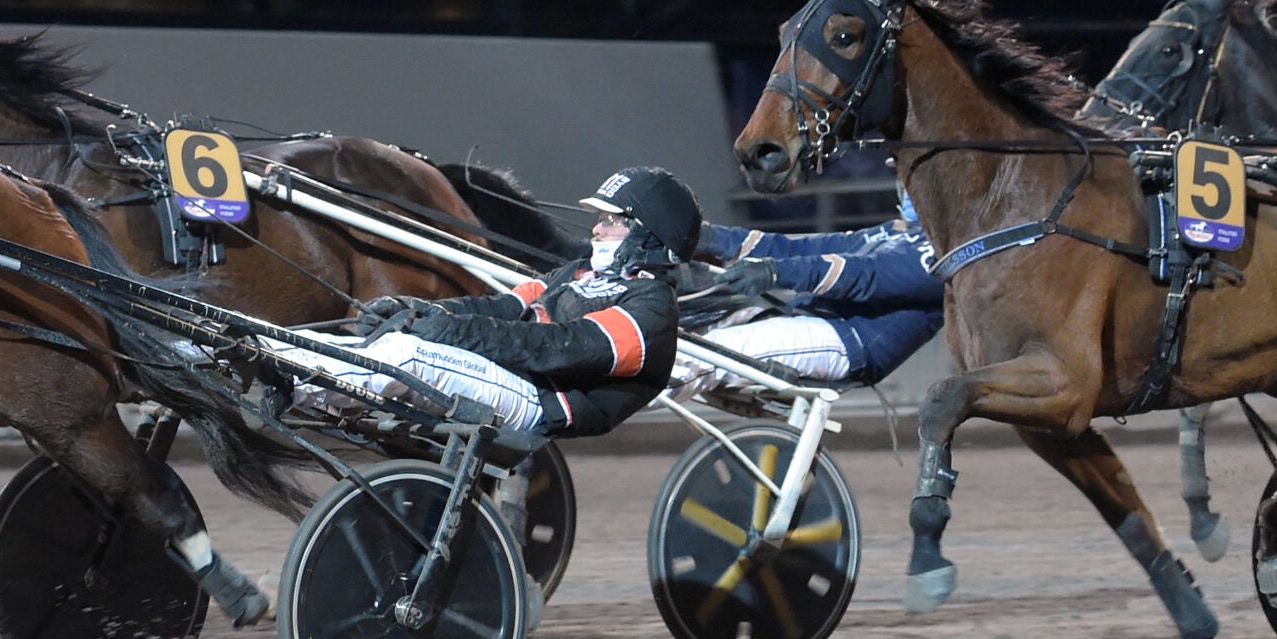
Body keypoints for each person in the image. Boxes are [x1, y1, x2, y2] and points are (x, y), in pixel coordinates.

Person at [294, 166, 691, 438]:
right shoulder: (575, 272)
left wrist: (453, 331)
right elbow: (501, 308)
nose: (597, 229)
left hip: (543, 400)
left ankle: (294, 384)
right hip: (509, 376)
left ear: (647, 233)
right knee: (362, 344)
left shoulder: (651, 310)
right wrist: (421, 311)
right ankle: (265, 354)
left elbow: (559, 347)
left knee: (407, 356)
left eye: (611, 220)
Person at [676, 187, 943, 394]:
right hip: (808, 318)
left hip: (849, 341)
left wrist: (776, 272)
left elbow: (864, 275)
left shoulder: (943, 253)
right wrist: (709, 237)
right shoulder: (894, 231)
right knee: (683, 334)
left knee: (710, 353)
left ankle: (638, 393)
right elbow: (801, 249)